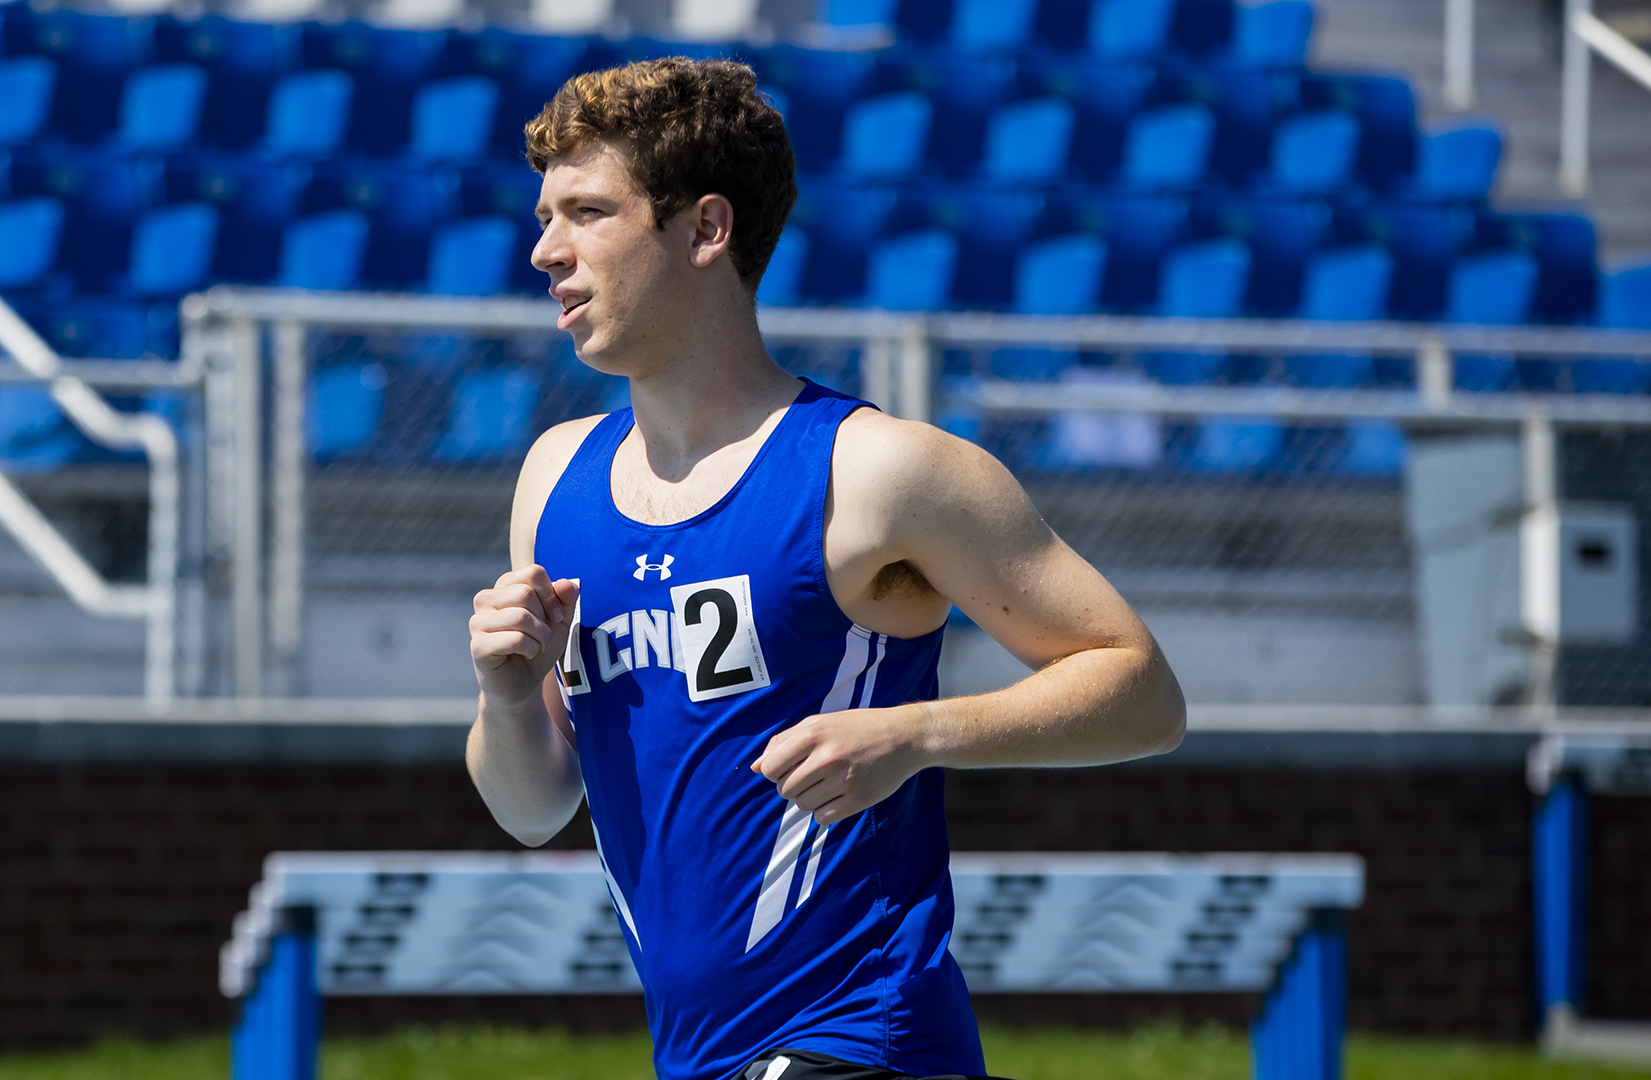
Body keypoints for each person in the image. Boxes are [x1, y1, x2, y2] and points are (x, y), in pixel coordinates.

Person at [464, 57, 1186, 1080]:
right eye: (545, 216)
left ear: (708, 230)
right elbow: (531, 808)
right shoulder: (553, 480)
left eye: (586, 212)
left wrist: (917, 733)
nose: (546, 252)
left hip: (861, 1041)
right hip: (701, 1056)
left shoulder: (880, 470)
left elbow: (1143, 690)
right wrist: (503, 696)